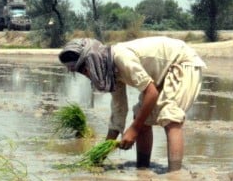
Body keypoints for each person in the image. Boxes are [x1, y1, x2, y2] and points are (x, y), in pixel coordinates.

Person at [59, 36, 205, 172]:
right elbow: (119, 109)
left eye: (85, 70)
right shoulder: (109, 71)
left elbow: (151, 93)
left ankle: (175, 175)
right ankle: (142, 169)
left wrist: (134, 129)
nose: (87, 75)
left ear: (93, 60)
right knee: (141, 118)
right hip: (162, 74)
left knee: (170, 117)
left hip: (182, 62)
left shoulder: (121, 58)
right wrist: (101, 154)